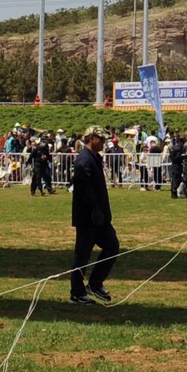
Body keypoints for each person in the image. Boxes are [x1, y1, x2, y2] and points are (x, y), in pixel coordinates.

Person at [70, 128, 120, 303]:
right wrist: (95, 210)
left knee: (112, 246)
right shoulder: (84, 160)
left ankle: (95, 284)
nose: (104, 142)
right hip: (88, 217)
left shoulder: (94, 158)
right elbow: (85, 189)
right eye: (101, 138)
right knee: (82, 255)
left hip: (100, 217)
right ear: (91, 138)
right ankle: (77, 292)